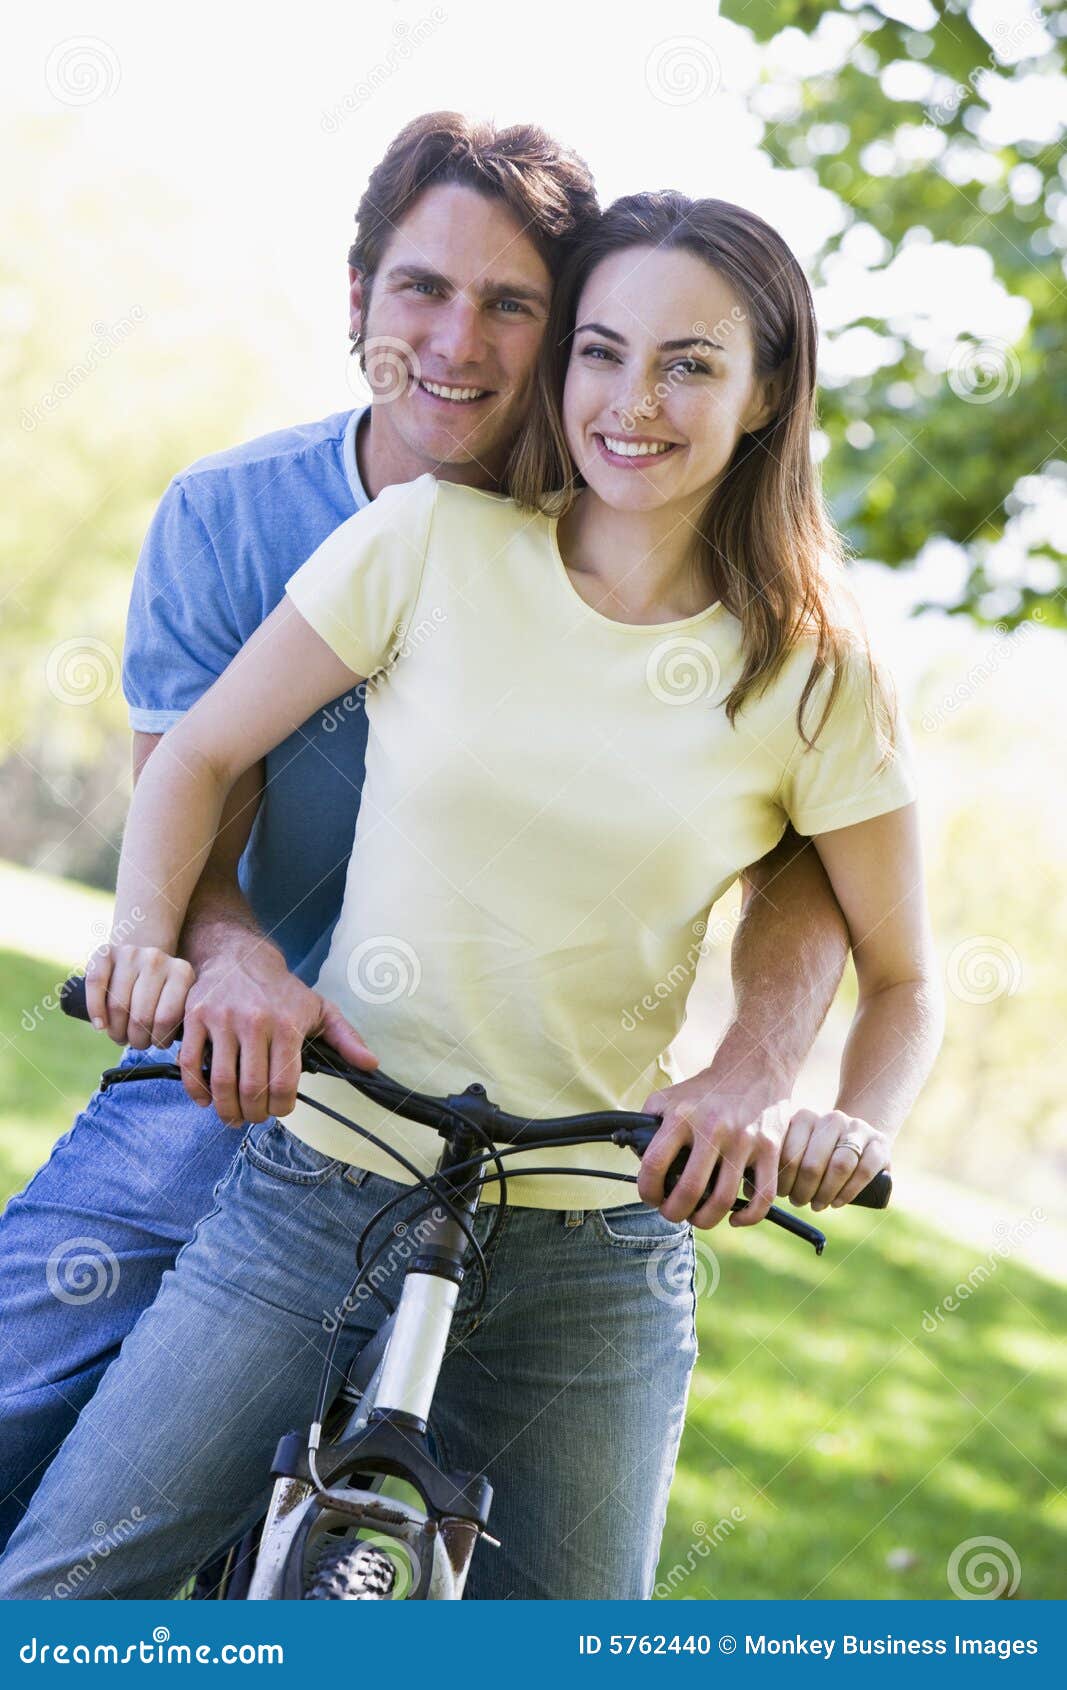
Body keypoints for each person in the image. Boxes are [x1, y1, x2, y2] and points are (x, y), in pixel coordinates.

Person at [0, 182, 942, 1600]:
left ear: (764, 395)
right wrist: (148, 939)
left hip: (593, 1239)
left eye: (692, 363)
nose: (635, 399)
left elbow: (905, 974)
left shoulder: (815, 671)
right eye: (603, 350)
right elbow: (198, 751)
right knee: (58, 1600)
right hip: (320, 1178)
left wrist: (837, 1121)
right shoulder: (432, 540)